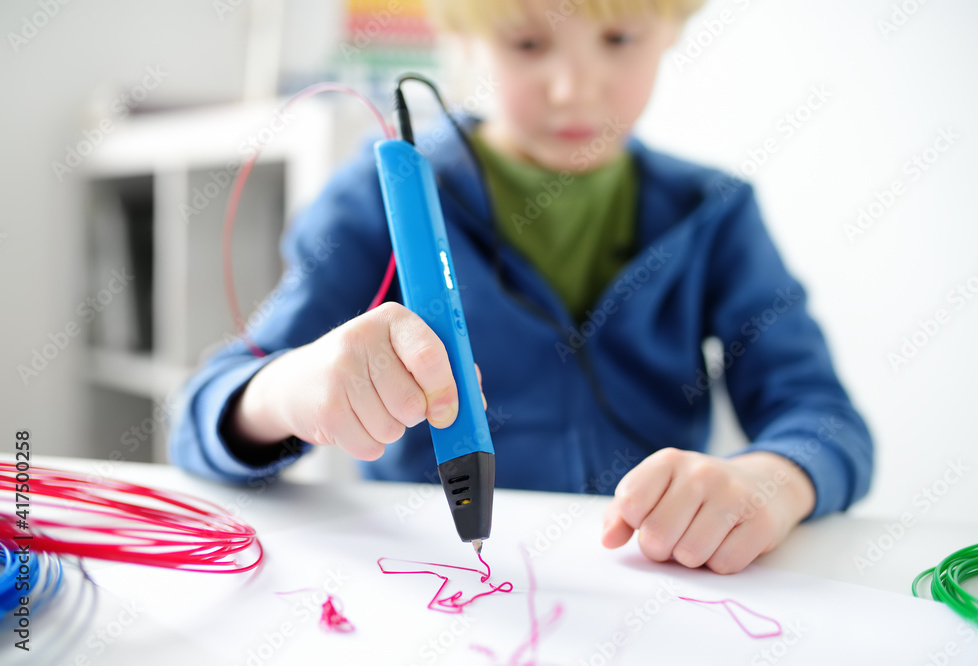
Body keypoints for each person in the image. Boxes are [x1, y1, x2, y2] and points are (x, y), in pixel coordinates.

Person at [169, 0, 873, 575]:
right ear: (464, 37)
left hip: (648, 595)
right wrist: (284, 392)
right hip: (431, 585)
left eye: (621, 37)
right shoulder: (377, 198)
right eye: (529, 44)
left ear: (674, 25)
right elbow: (199, 416)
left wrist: (771, 481)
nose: (574, 88)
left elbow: (823, 416)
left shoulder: (715, 213)